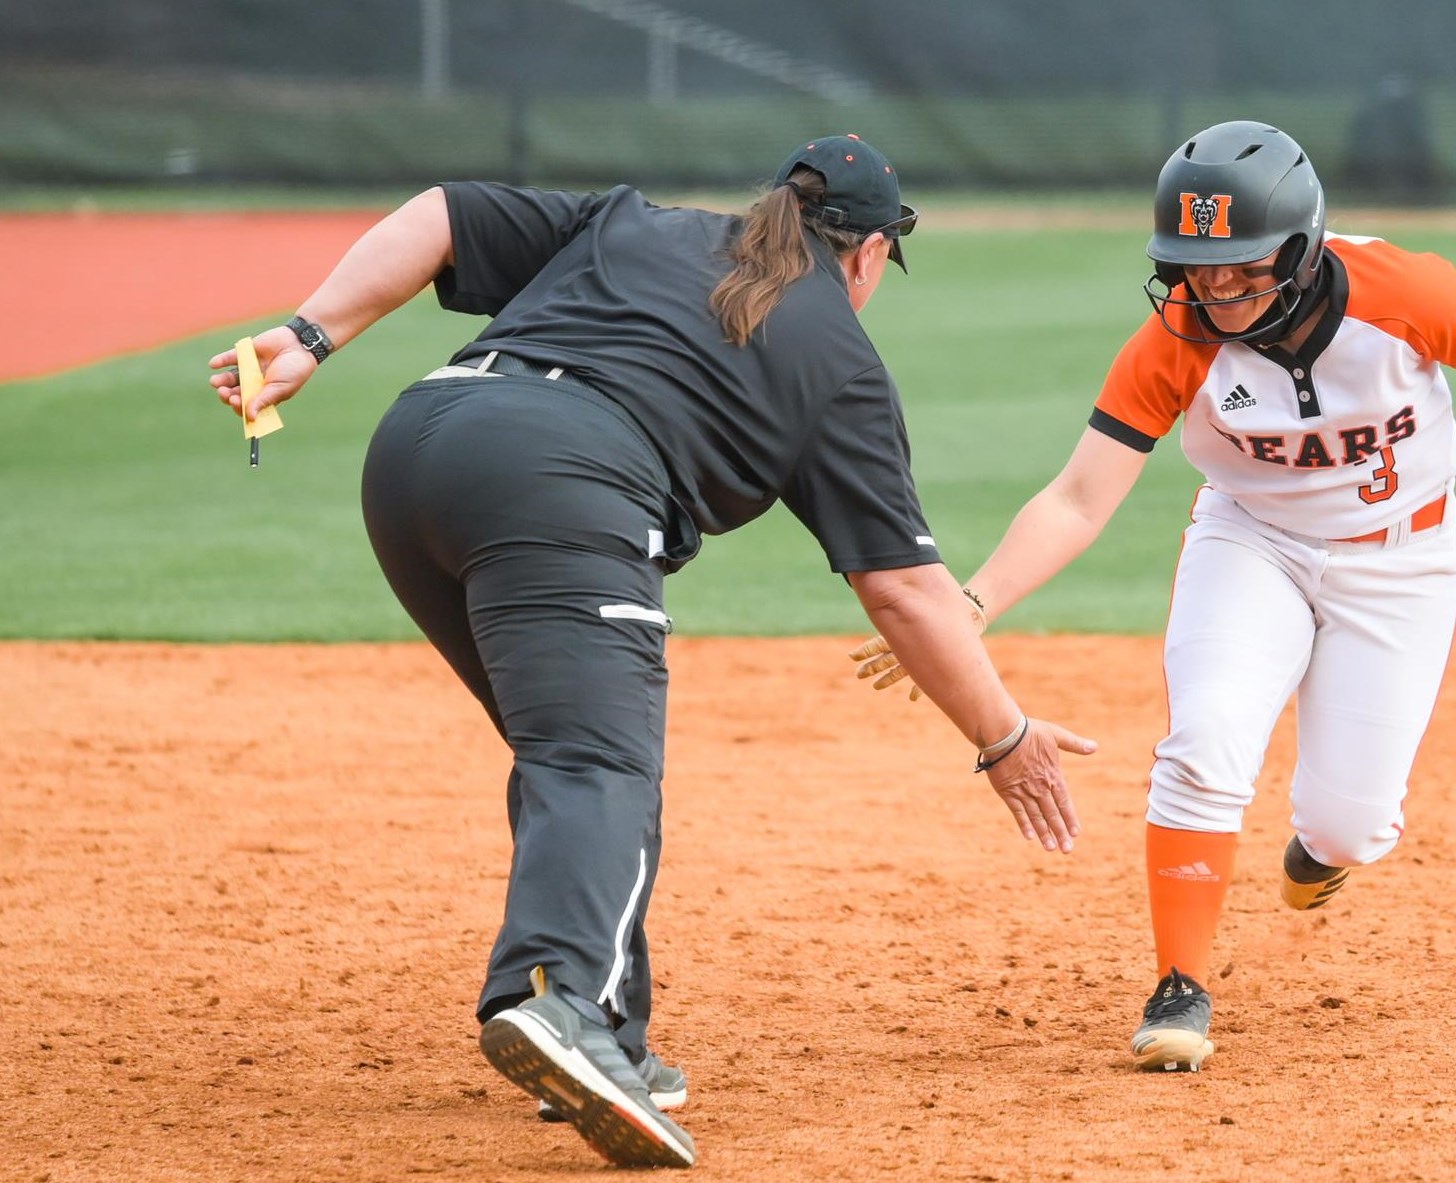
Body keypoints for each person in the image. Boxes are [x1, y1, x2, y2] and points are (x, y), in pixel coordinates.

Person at [207, 135, 1094, 1168]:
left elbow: (442, 212)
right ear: (867, 255)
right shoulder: (838, 354)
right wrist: (1004, 738)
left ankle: (607, 1036)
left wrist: (311, 335)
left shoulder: (636, 222)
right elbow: (903, 589)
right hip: (559, 482)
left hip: (416, 453)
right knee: (599, 762)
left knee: (567, 752)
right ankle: (564, 1005)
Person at [850, 121, 1456, 1073]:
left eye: (1243, 266)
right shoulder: (1177, 339)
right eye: (1196, 269)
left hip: (1404, 558)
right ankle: (1179, 983)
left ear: (1302, 247)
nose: (1218, 289)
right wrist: (973, 602)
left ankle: (1321, 854)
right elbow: (1078, 497)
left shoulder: (1407, 293)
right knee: (1204, 745)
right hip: (1251, 544)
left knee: (1352, 823)